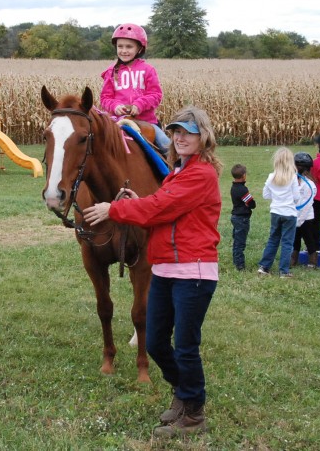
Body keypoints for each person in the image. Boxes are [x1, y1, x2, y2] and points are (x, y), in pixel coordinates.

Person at [82, 106, 222, 438]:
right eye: (175, 132)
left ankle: (194, 413)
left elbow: (159, 207)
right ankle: (184, 393)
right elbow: (161, 202)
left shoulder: (202, 174)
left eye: (188, 132)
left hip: (194, 272)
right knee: (158, 342)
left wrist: (113, 208)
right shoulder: (177, 172)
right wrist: (136, 199)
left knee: (185, 346)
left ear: (203, 137)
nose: (180, 137)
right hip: (165, 268)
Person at [99, 23, 171, 153]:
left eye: (129, 46)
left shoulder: (148, 70)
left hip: (146, 122)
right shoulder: (111, 72)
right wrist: (115, 106)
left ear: (139, 49)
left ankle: (178, 171)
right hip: (117, 122)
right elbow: (105, 98)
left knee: (167, 147)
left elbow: (155, 95)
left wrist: (139, 105)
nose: (124, 50)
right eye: (120, 46)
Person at [257, 147, 302, 278]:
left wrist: (276, 196)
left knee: (273, 239)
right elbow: (297, 197)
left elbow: (265, 195)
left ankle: (264, 267)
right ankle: (284, 271)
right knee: (287, 243)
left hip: (276, 212)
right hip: (289, 213)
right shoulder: (293, 177)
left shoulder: (271, 177)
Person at [290, 152, 319, 269]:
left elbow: (307, 205)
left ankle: (313, 260)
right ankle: (293, 257)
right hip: (294, 216)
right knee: (295, 239)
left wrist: (300, 220)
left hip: (306, 218)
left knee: (308, 239)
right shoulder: (293, 181)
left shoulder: (309, 184)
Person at [229, 163, 256, 271]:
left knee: (236, 241)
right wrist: (248, 203)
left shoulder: (233, 187)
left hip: (235, 216)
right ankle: (240, 265)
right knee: (240, 243)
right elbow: (252, 204)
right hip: (242, 218)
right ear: (244, 175)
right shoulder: (243, 189)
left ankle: (236, 261)